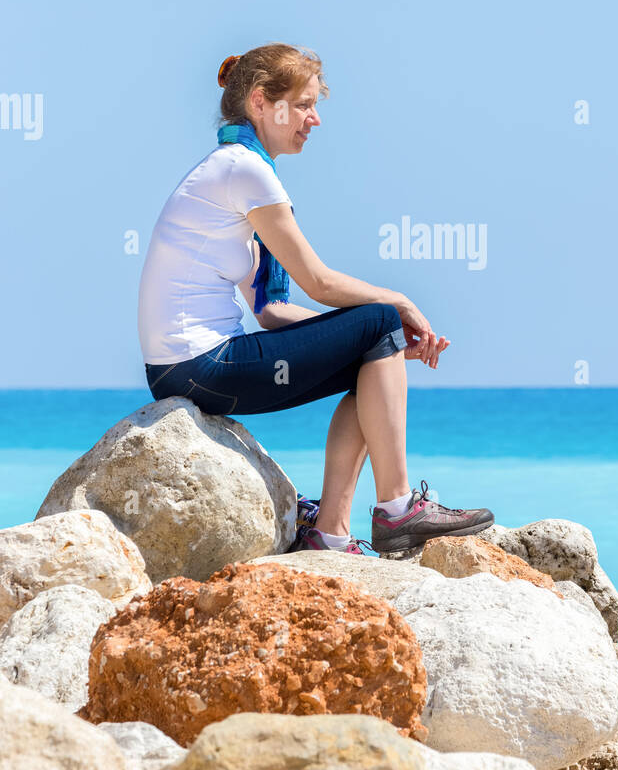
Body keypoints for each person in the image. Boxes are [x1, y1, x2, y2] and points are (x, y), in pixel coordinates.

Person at [137, 42, 494, 555]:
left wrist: (381, 349)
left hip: (182, 368)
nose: (316, 119)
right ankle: (397, 511)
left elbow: (271, 310)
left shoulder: (238, 168)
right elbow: (319, 284)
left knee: (371, 352)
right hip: (201, 363)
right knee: (377, 322)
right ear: (261, 102)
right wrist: (399, 305)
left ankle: (329, 533)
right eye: (304, 104)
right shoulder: (244, 171)